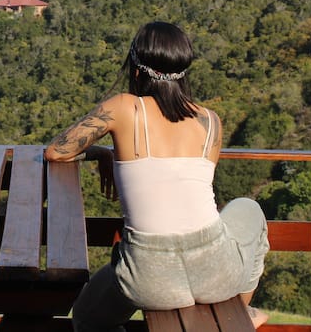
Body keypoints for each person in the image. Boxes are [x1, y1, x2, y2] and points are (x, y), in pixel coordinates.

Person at [45, 21, 269, 331]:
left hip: (148, 277)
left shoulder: (124, 107)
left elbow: (56, 151)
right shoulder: (210, 122)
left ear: (136, 70)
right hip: (217, 272)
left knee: (85, 317)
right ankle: (241, 311)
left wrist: (102, 152)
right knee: (248, 208)